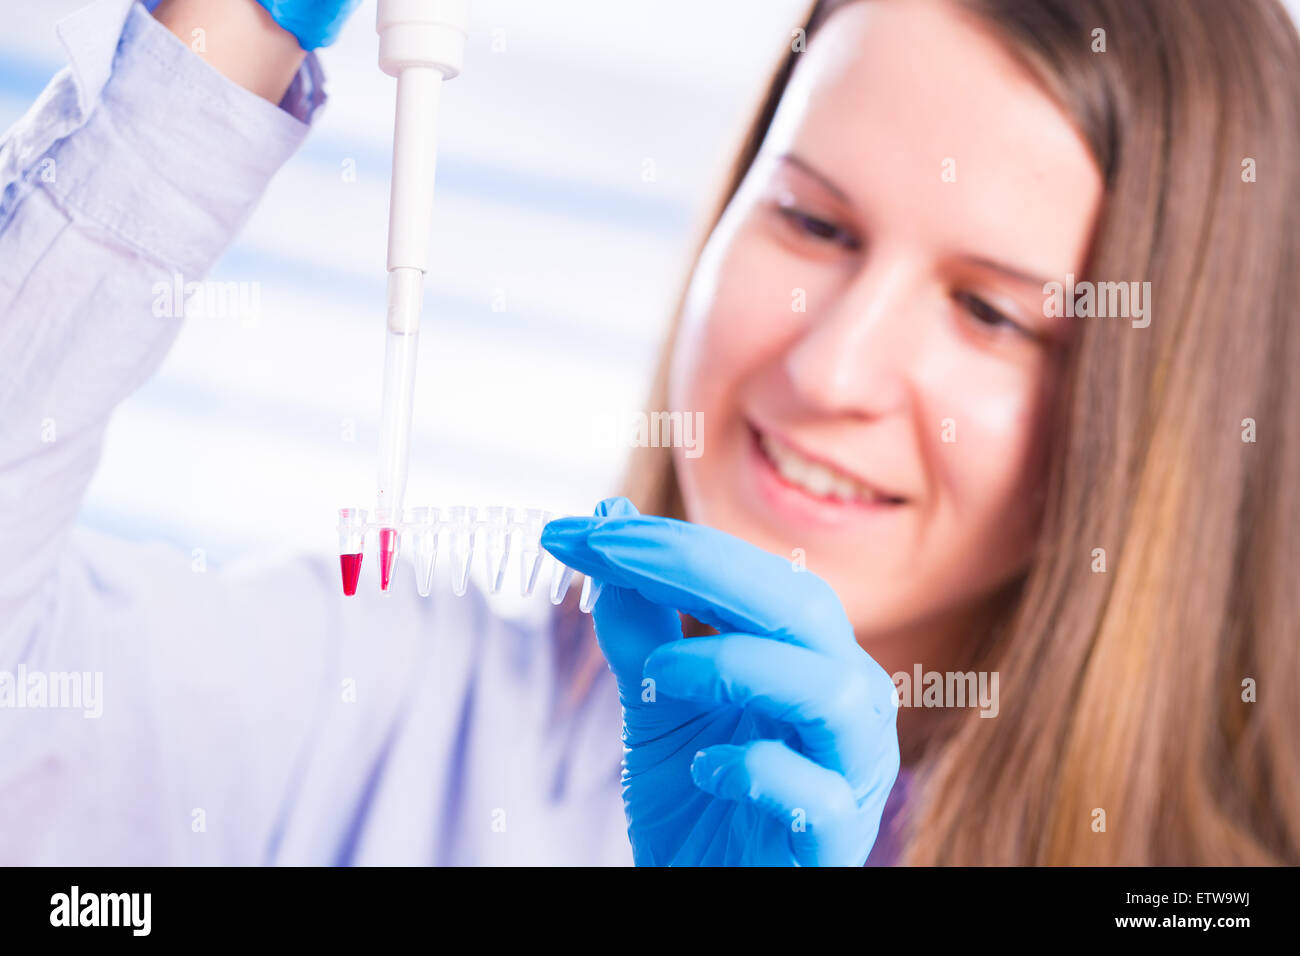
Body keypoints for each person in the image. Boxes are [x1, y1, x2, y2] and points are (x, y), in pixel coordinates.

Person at [1, 0, 1296, 866]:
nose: (830, 364)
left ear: (1157, 418)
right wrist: (202, 71)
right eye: (812, 223)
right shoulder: (425, 697)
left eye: (989, 313)